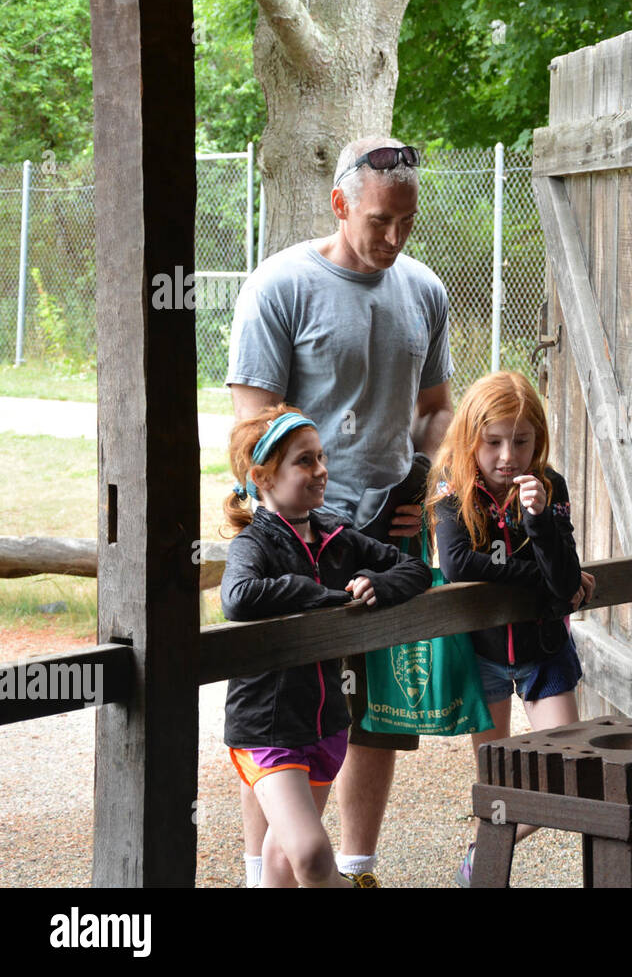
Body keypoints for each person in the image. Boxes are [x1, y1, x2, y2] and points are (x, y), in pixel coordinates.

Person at [225, 136, 454, 887]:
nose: (394, 238)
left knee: (376, 710)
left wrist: (423, 486)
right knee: (284, 714)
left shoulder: (424, 289)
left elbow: (434, 410)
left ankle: (356, 866)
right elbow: (254, 428)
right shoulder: (278, 286)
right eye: (380, 221)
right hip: (305, 537)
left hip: (389, 534)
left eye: (406, 223)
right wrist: (284, 518)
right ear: (340, 204)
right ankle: (266, 875)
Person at [220, 405, 432, 888]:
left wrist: (377, 582)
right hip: (268, 729)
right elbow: (237, 598)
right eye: (304, 461)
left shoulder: (338, 535)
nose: (321, 471)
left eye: (321, 457)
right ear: (263, 477)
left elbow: (412, 569)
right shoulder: (255, 544)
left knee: (281, 865)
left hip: (327, 724)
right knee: (314, 856)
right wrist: (322, 595)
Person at [428, 371, 595, 887]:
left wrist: (541, 520)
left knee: (573, 773)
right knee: (498, 784)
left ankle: (483, 847)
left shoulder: (549, 486)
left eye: (521, 442)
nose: (508, 456)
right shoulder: (451, 487)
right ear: (471, 438)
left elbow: (567, 576)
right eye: (494, 442)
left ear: (537, 439)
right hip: (483, 656)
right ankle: (486, 872)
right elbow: (458, 564)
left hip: (543, 647)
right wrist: (545, 584)